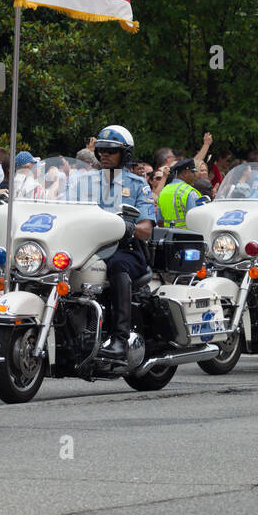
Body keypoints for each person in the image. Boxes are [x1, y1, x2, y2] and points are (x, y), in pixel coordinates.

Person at [69, 125, 156, 359]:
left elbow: (146, 229)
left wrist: (129, 227)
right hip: (89, 249)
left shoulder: (138, 185)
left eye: (111, 150)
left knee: (117, 266)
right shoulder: (84, 182)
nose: (104, 154)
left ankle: (120, 338)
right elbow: (66, 211)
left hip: (124, 249)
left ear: (125, 154)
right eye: (101, 150)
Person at [156, 158, 203, 228]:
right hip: (187, 236)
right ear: (185, 173)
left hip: (167, 236)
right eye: (192, 172)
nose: (194, 175)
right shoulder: (189, 191)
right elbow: (197, 220)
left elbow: (160, 221)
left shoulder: (163, 191)